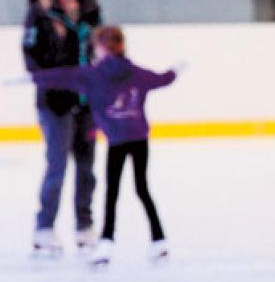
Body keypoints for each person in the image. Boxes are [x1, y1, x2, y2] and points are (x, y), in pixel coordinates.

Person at [29, 26, 179, 267]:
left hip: (118, 141)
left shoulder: (92, 75)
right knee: (142, 189)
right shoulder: (135, 72)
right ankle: (158, 240)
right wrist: (174, 72)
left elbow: (64, 76)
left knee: (112, 193)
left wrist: (36, 77)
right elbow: (160, 79)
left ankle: (107, 242)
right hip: (139, 138)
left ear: (99, 47)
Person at [21, 0, 102, 258]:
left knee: (87, 168)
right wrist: (56, 78)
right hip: (55, 102)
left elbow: (98, 47)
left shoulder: (90, 5)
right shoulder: (39, 10)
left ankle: (84, 225)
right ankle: (44, 228)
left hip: (87, 102)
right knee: (57, 165)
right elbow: (31, 56)